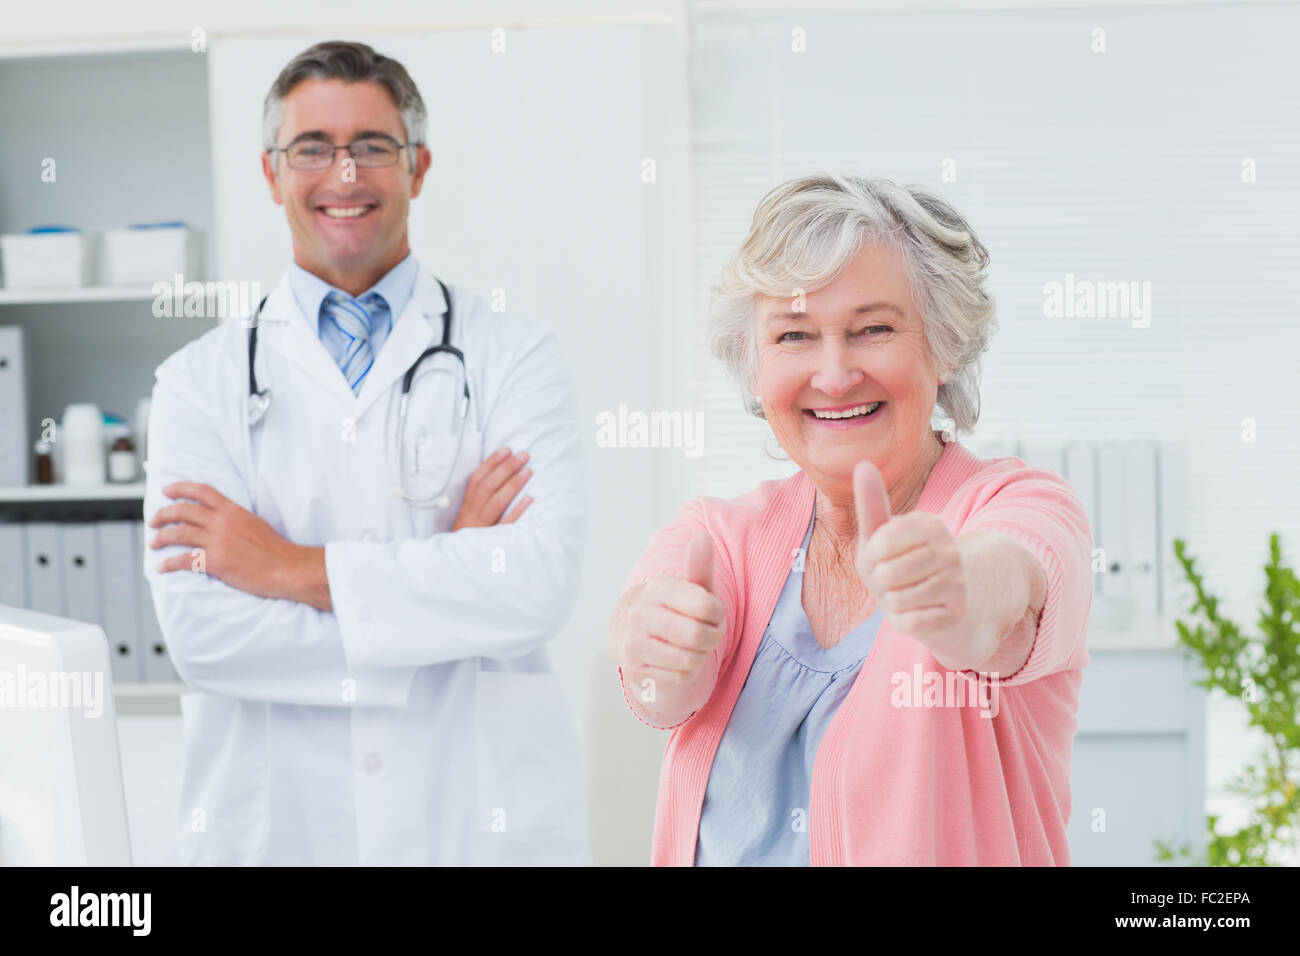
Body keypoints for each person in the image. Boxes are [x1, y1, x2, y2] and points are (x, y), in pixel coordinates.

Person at [143, 40, 588, 865]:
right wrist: (449, 574)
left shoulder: (514, 357)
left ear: (417, 167)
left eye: (372, 148)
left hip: (470, 818)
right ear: (272, 174)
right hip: (277, 829)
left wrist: (283, 567)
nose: (343, 176)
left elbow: (535, 586)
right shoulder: (196, 383)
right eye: (312, 148)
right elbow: (203, 635)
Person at [608, 173, 1094, 866]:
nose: (834, 375)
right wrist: (649, 644)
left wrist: (953, 589)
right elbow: (659, 685)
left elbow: (1008, 600)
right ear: (754, 365)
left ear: (945, 344)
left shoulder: (1021, 508)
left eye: (873, 329)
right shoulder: (718, 536)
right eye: (794, 336)